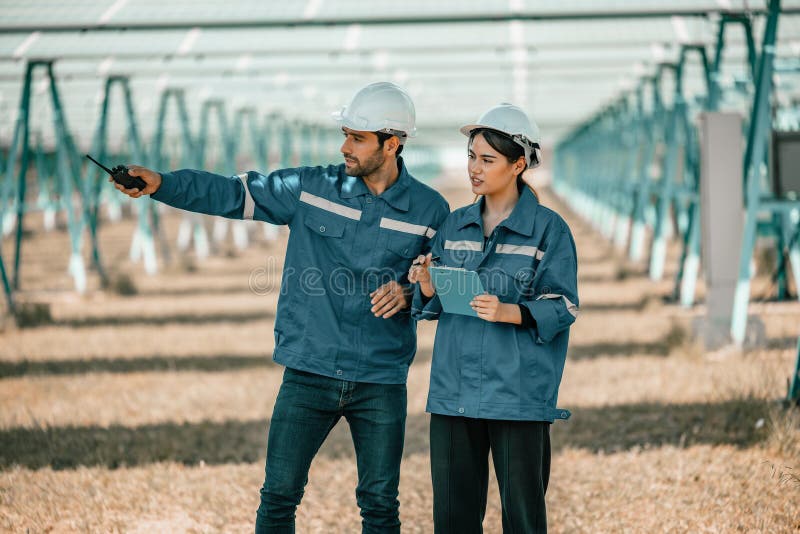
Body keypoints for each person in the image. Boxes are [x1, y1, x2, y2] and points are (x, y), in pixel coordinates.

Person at [112, 82, 450, 534]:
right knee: (278, 498)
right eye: (345, 133)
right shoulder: (311, 187)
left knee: (380, 505)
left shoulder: (430, 209)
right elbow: (235, 194)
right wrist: (164, 184)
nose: (344, 146)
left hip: (380, 378)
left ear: (392, 144)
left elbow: (440, 285)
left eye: (357, 137)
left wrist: (412, 294)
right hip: (308, 371)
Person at [408, 103, 578, 533]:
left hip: (517, 396)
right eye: (471, 157)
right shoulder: (454, 225)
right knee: (452, 519)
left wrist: (511, 312)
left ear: (518, 163)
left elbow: (564, 306)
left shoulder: (548, 229)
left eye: (487, 160)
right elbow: (435, 301)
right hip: (454, 392)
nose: (474, 169)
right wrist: (427, 284)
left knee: (523, 519)